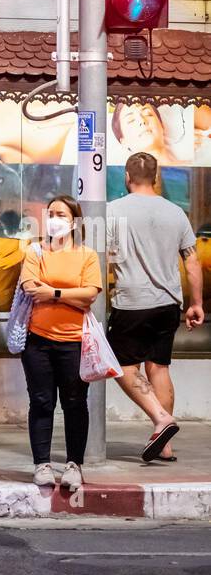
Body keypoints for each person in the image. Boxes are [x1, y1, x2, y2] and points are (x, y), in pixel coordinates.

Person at [107, 151, 205, 462]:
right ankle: (165, 445)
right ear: (157, 177)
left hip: (132, 302)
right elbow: (192, 260)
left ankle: (162, 419)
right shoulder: (176, 213)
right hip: (168, 304)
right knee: (158, 367)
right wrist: (196, 303)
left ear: (126, 177)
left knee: (121, 365)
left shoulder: (112, 211)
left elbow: (101, 258)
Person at [18, 195, 102, 490]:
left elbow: (90, 294)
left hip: (75, 342)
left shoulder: (87, 255)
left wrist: (53, 293)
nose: (54, 219)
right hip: (37, 340)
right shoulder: (35, 252)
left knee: (75, 403)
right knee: (41, 402)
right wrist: (71, 294)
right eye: (51, 213)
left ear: (75, 221)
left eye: (61, 214)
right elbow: (30, 287)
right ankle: (41, 463)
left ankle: (73, 464)